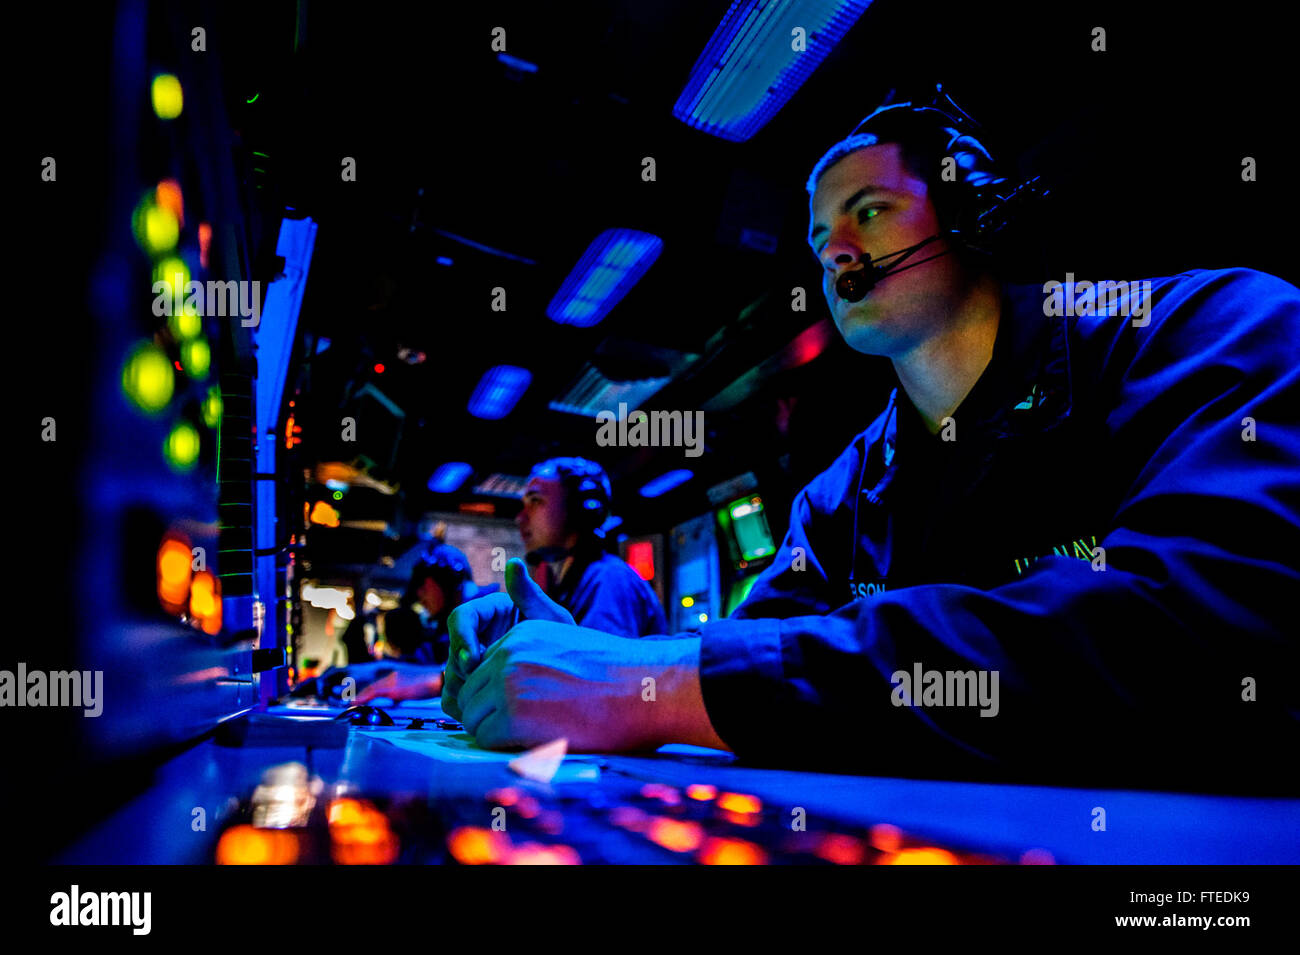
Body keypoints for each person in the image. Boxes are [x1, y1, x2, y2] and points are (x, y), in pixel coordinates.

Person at [438, 90, 1300, 789]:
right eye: (819, 239)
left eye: (870, 211)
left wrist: (650, 685)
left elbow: (1194, 638)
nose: (837, 254)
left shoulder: (1212, 331)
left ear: (970, 209)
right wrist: (590, 667)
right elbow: (747, 665)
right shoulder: (840, 491)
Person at [515, 457, 667, 637]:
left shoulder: (609, 581)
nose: (520, 518)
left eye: (535, 501)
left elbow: (599, 663)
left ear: (579, 508)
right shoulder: (576, 582)